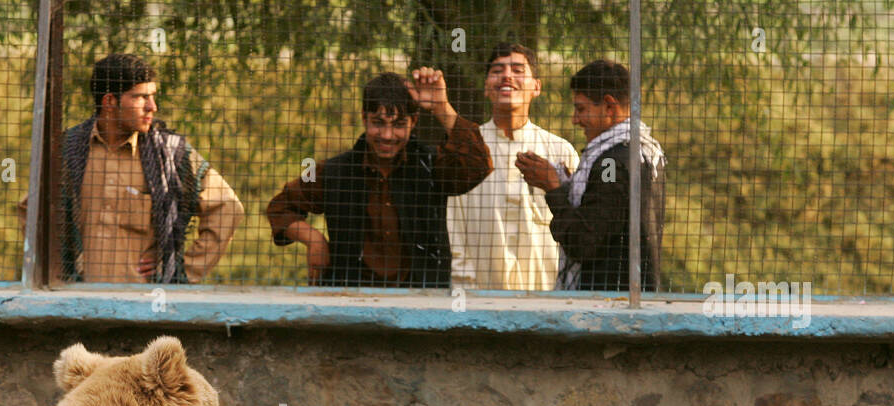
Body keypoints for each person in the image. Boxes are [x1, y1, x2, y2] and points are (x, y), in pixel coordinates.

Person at [266, 69, 491, 288]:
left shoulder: (432, 165)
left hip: (422, 300)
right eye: (378, 123)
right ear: (364, 118)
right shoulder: (332, 171)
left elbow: (478, 164)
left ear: (414, 121)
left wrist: (442, 108)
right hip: (349, 300)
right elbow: (280, 207)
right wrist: (313, 239)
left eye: (399, 125)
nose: (387, 135)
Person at [57, 53, 243, 283]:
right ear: (109, 102)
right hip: (75, 305)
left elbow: (229, 208)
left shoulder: (171, 154)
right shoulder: (67, 151)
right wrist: (54, 268)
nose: (152, 107)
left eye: (152, 96)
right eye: (141, 97)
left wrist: (183, 269)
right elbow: (32, 211)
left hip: (143, 307)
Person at [517, 58, 665, 292]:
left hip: (607, 304)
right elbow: (608, 217)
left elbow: (584, 243)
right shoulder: (645, 151)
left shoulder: (611, 162)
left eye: (581, 109)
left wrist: (553, 188)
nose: (575, 120)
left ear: (609, 106)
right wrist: (570, 187)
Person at [447, 43, 579, 291]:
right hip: (480, 299)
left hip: (548, 298)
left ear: (536, 87)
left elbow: (575, 228)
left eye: (518, 70)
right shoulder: (468, 148)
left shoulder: (560, 151)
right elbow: (455, 231)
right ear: (486, 86)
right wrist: (464, 291)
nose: (507, 76)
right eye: (497, 70)